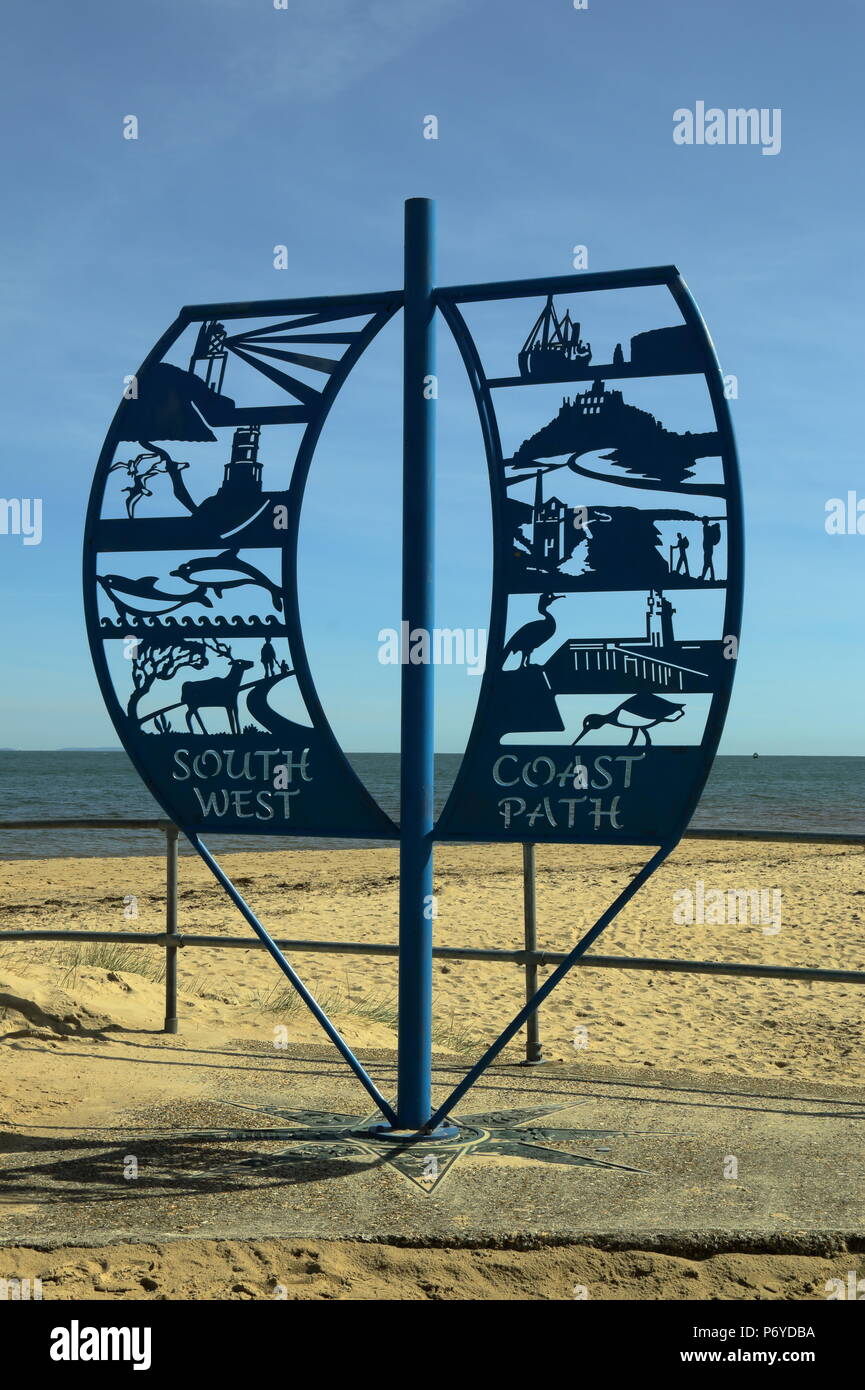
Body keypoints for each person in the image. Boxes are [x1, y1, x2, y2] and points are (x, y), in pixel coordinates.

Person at [700, 517, 721, 581]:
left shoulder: (707, 528)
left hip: (708, 548)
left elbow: (716, 526)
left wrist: (716, 526)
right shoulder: (706, 528)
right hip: (707, 548)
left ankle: (703, 577)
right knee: (709, 563)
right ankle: (711, 577)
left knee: (707, 563)